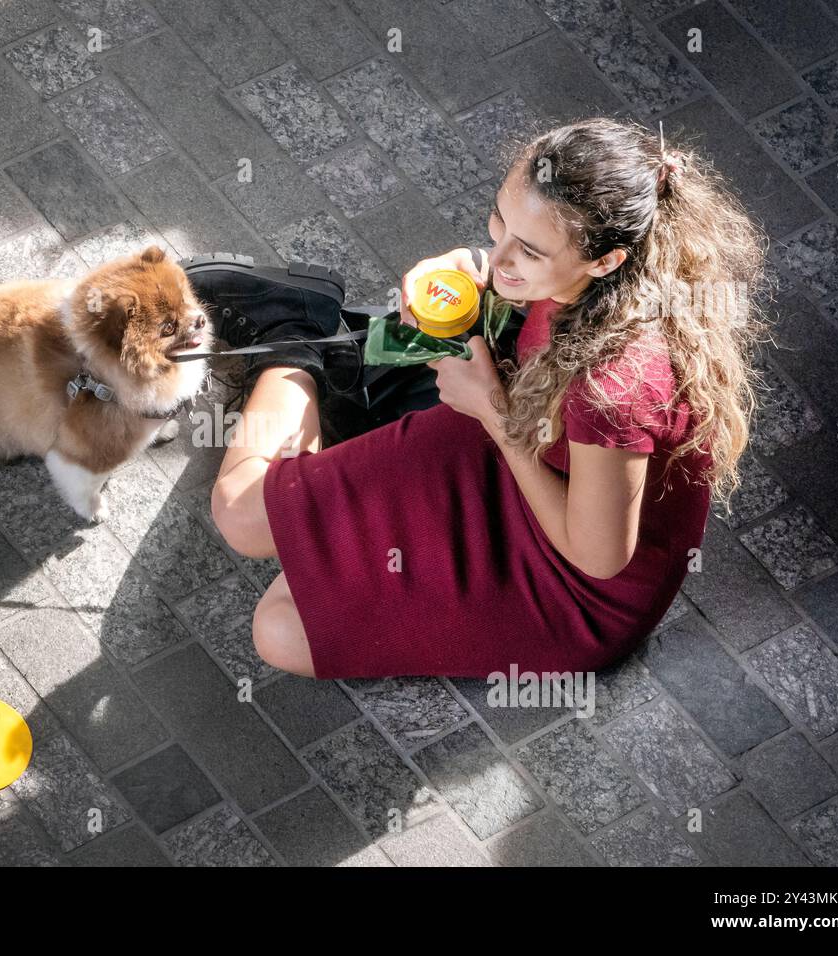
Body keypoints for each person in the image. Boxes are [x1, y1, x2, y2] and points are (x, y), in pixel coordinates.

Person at [183, 117, 770, 680]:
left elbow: (599, 558)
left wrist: (492, 410)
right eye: (499, 223)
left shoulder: (615, 386)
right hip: (529, 438)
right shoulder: (621, 267)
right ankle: (317, 347)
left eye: (529, 253)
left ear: (605, 260)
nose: (500, 257)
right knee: (244, 517)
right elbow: (505, 264)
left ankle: (301, 336)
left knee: (280, 630)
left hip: (570, 582)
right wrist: (461, 266)